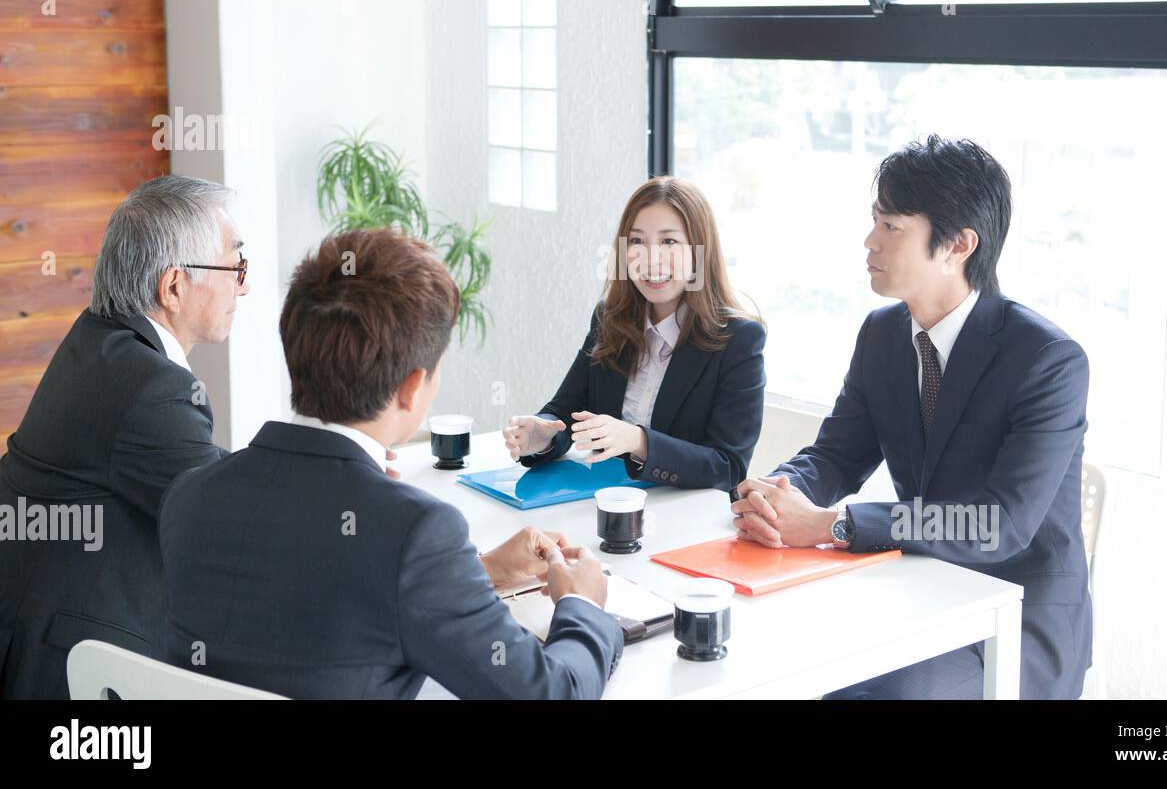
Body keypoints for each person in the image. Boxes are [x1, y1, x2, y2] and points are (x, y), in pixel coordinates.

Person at [158, 228, 621, 699]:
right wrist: (583, 605)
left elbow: (317, 594)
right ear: (411, 386)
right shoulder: (415, 531)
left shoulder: (190, 494)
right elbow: (550, 693)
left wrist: (475, 572)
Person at [732, 135, 1092, 699]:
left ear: (958, 245)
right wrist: (780, 492)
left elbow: (1000, 523)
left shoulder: (1046, 360)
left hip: (1018, 618)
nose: (870, 241)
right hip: (919, 588)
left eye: (892, 226)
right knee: (771, 659)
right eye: (875, 221)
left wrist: (834, 525)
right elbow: (836, 453)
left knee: (864, 691)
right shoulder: (883, 335)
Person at [0, 175, 248, 698]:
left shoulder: (100, 340)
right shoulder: (151, 388)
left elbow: (193, 467)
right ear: (174, 285)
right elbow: (229, 526)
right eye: (235, 265)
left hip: (32, 629)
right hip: (69, 671)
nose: (242, 285)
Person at [503, 176, 765, 491]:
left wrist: (638, 441)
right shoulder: (610, 317)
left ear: (699, 252)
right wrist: (543, 436)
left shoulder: (739, 340)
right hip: (603, 504)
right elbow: (566, 412)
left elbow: (728, 467)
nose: (651, 259)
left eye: (669, 242)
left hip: (683, 517)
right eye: (638, 241)